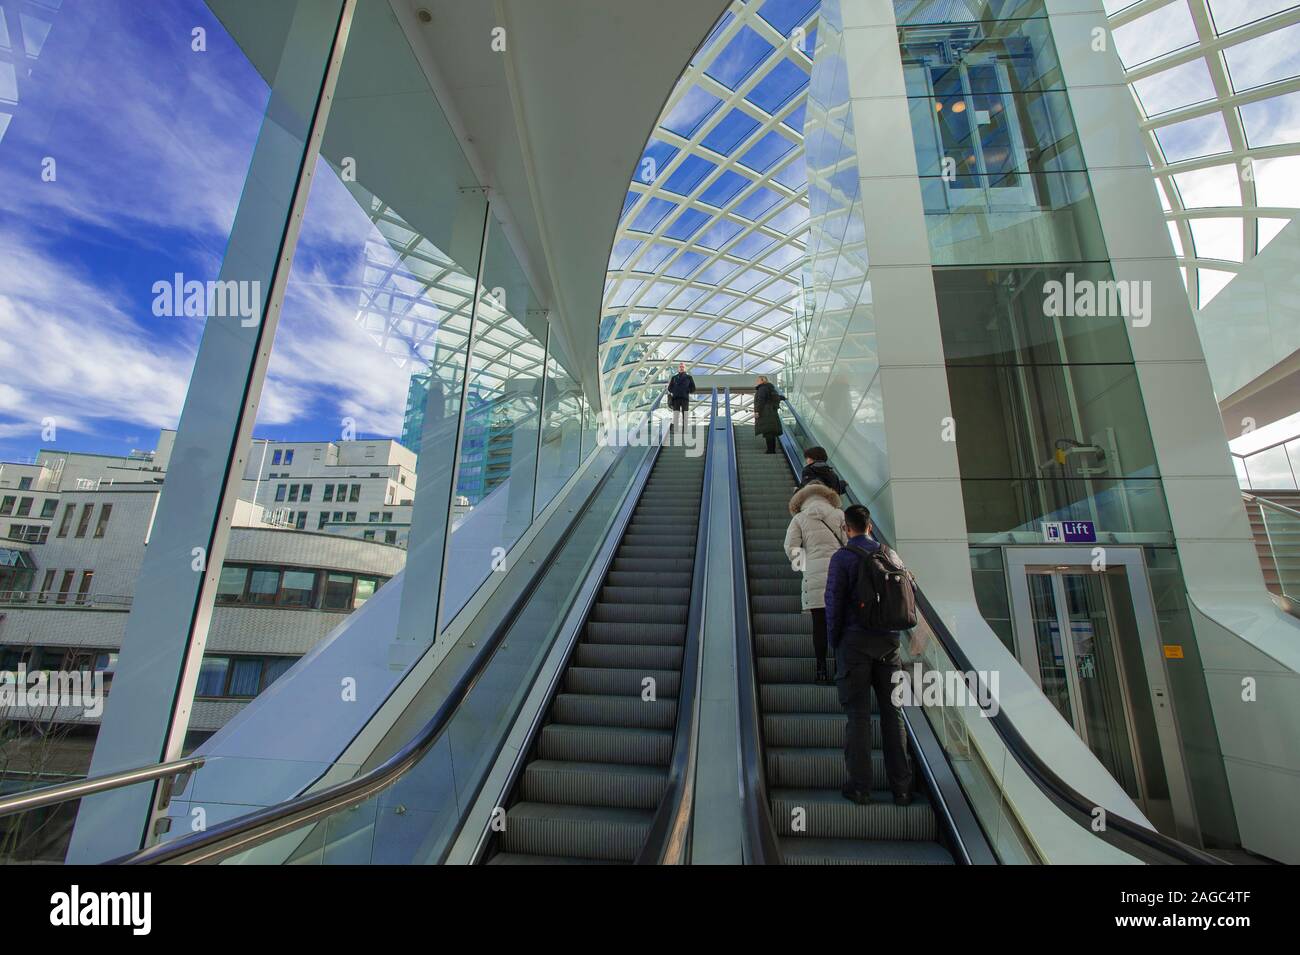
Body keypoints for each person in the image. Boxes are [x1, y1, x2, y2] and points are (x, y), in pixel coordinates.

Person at [823, 504, 914, 806]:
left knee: (859, 717)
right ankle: (901, 789)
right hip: (889, 645)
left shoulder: (843, 558)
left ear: (846, 529)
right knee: (894, 716)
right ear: (870, 526)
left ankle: (861, 787)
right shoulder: (891, 555)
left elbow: (833, 602)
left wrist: (834, 641)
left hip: (854, 645)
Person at [783, 482, 846, 685]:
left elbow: (790, 546)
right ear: (826, 496)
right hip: (841, 577)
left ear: (803, 498)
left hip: (815, 577)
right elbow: (849, 542)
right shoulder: (839, 515)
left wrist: (804, 566)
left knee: (819, 625)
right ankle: (840, 667)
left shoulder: (799, 518)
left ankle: (820, 669)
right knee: (840, 623)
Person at [753, 375, 784, 453]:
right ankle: (772, 449)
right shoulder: (771, 388)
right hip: (772, 412)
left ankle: (770, 450)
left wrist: (757, 411)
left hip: (765, 412)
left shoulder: (762, 389)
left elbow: (760, 401)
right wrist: (783, 397)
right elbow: (776, 397)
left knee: (768, 432)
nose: (757, 382)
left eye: (758, 380)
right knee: (771, 431)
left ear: (763, 380)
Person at [666, 362, 696, 432]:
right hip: (676, 399)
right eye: (680, 367)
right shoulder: (674, 378)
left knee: (685, 414)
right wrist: (675, 391)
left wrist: (687, 390)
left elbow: (693, 388)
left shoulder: (689, 377)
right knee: (676, 414)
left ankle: (685, 430)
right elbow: (669, 388)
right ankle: (674, 429)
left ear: (685, 368)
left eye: (682, 367)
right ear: (678, 369)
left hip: (685, 398)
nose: (681, 368)